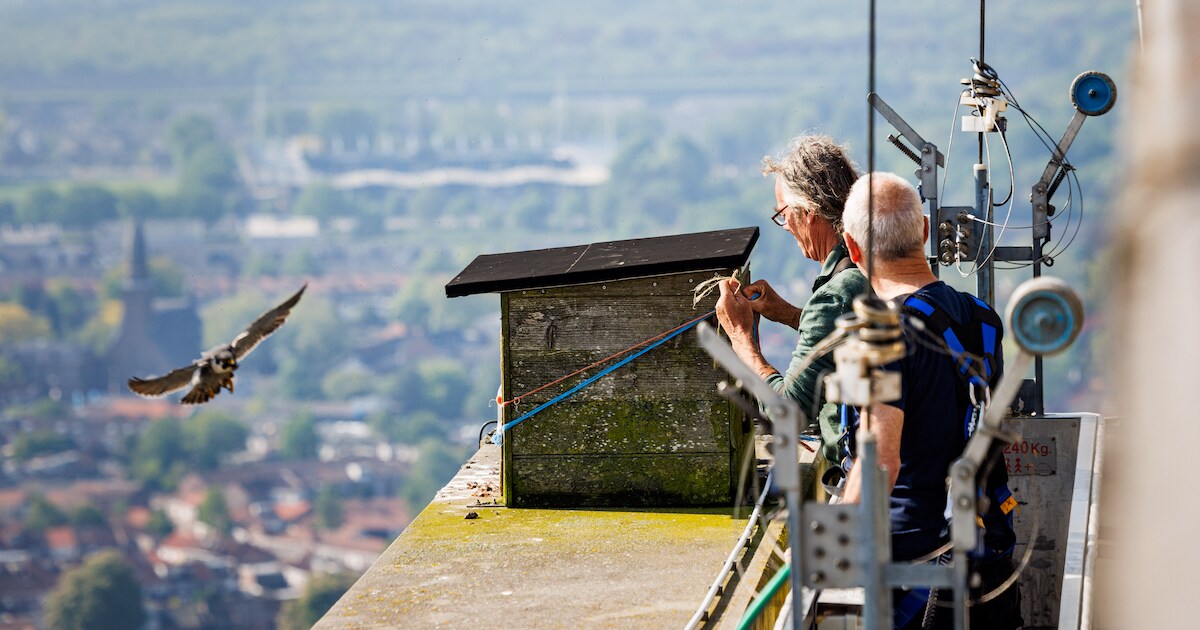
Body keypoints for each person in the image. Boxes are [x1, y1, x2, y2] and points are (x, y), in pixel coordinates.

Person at [839, 172, 1022, 630]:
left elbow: (879, 462)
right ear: (923, 231)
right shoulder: (981, 319)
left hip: (916, 576)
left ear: (852, 248)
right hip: (987, 557)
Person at [714, 134, 865, 468]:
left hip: (864, 485)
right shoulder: (871, 265)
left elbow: (789, 415)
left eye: (783, 213)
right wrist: (790, 314)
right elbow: (850, 335)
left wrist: (741, 336)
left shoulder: (837, 294)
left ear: (808, 211)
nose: (785, 226)